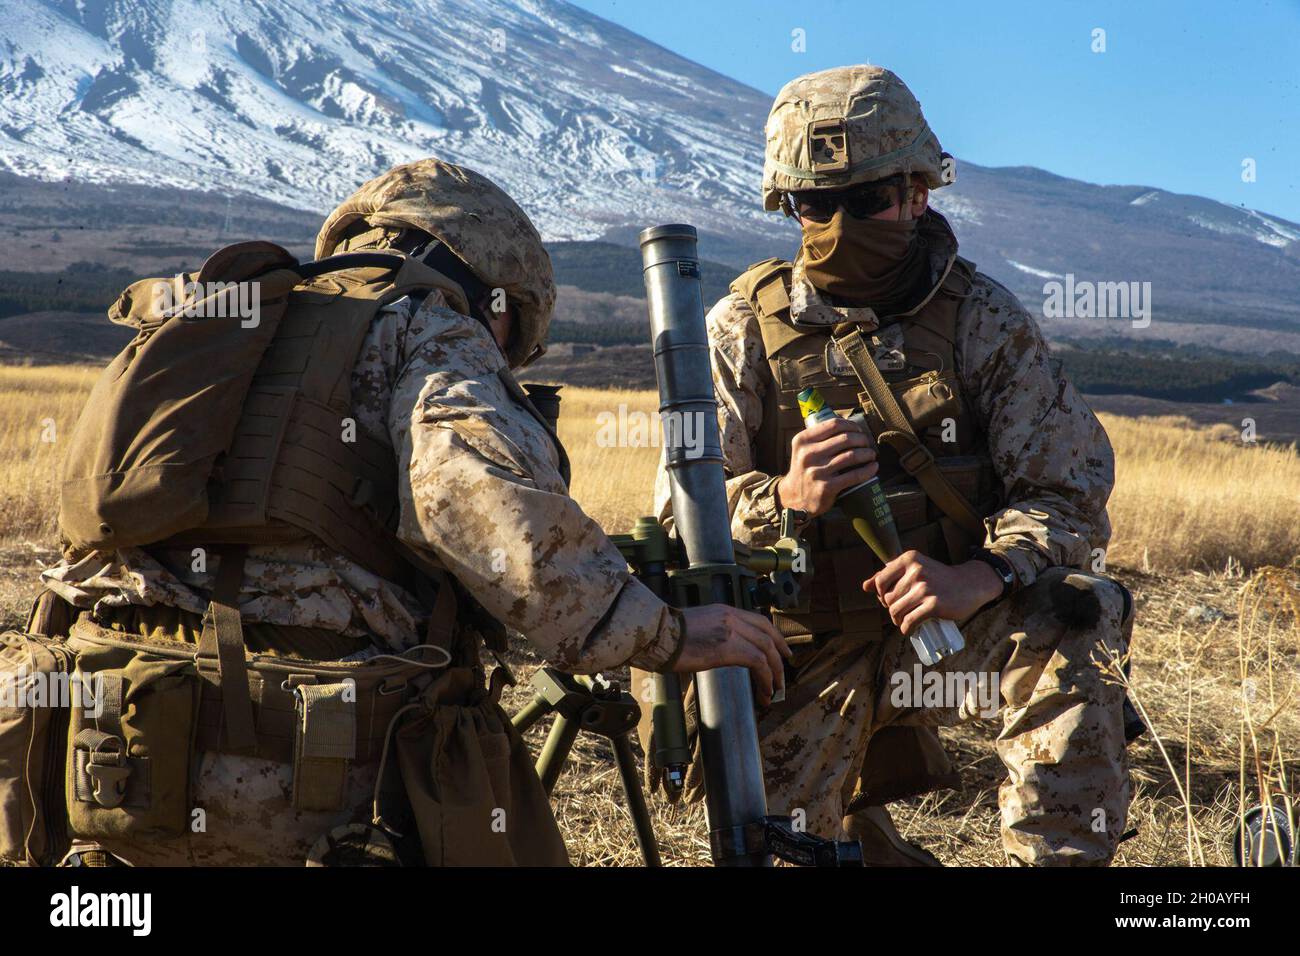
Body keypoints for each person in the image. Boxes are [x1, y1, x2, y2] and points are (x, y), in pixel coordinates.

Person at [15, 158, 788, 867]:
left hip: (105, 751)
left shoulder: (223, 321)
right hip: (286, 789)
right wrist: (663, 632)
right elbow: (486, 512)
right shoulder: (427, 327)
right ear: (497, 296)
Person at [653, 66, 1135, 866]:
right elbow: (681, 518)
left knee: (1079, 613)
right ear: (788, 206)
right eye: (815, 203)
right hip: (797, 654)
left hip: (945, 638)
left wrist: (985, 574)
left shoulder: (982, 321)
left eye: (867, 198)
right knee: (782, 850)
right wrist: (786, 500)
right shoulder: (739, 327)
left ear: (918, 192)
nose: (839, 224)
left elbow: (1069, 493)